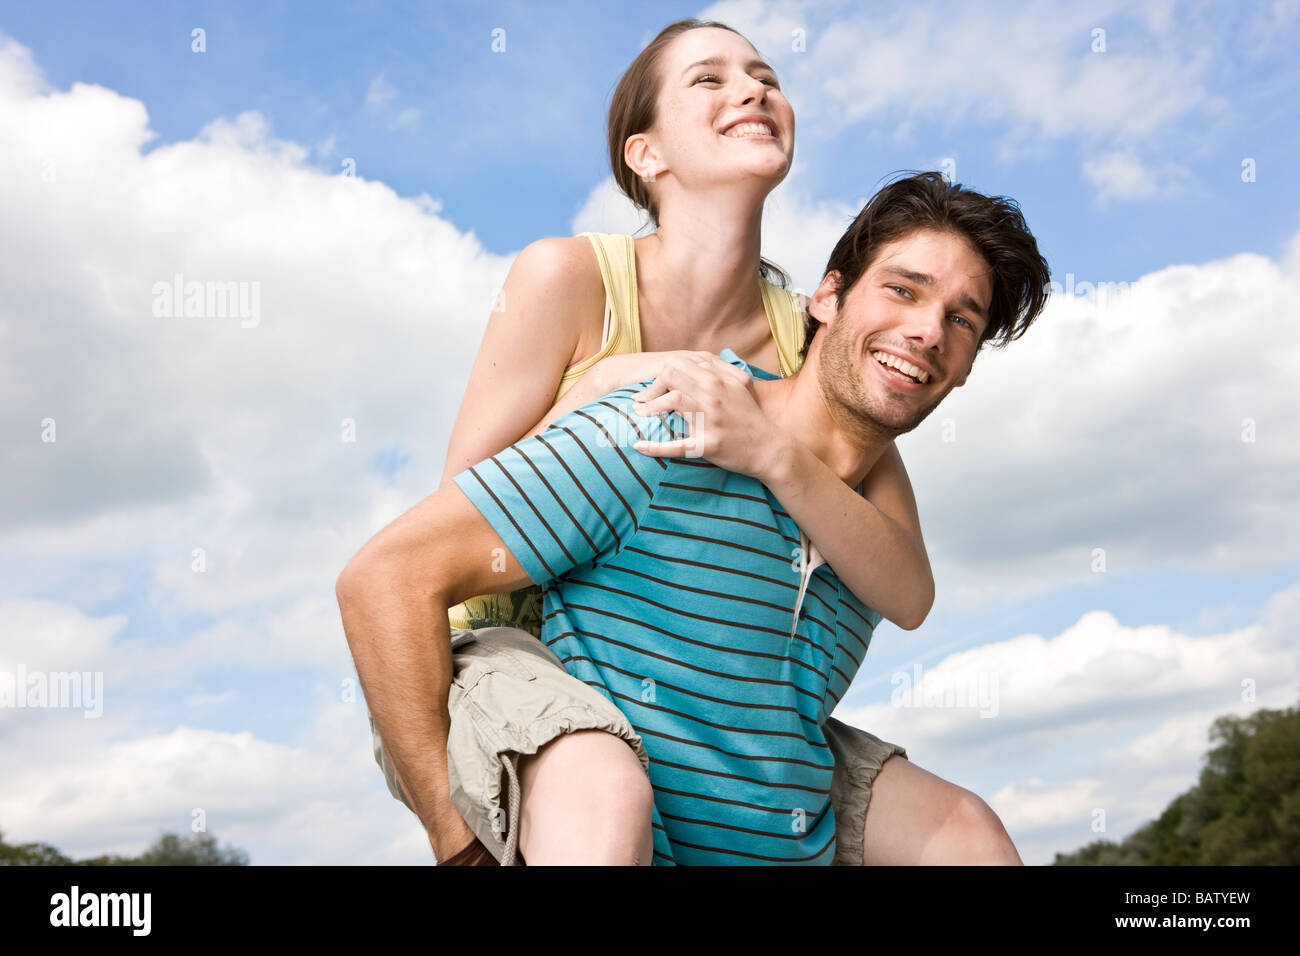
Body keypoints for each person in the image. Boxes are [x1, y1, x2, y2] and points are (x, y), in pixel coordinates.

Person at [350, 18, 940, 863]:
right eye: (710, 79)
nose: (753, 89)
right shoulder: (567, 278)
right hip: (516, 653)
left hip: (702, 688)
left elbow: (894, 562)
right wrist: (599, 392)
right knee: (601, 786)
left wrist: (771, 451)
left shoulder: (805, 337)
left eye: (765, 75)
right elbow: (462, 521)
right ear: (646, 155)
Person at [338, 171, 1052, 865]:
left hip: (776, 830)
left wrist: (777, 456)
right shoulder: (667, 424)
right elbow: (384, 578)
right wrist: (455, 842)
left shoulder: (872, 527)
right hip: (596, 815)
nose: (928, 332)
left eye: (962, 319)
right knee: (600, 795)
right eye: (902, 290)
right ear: (828, 296)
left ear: (965, 366)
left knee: (972, 839)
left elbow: (913, 598)